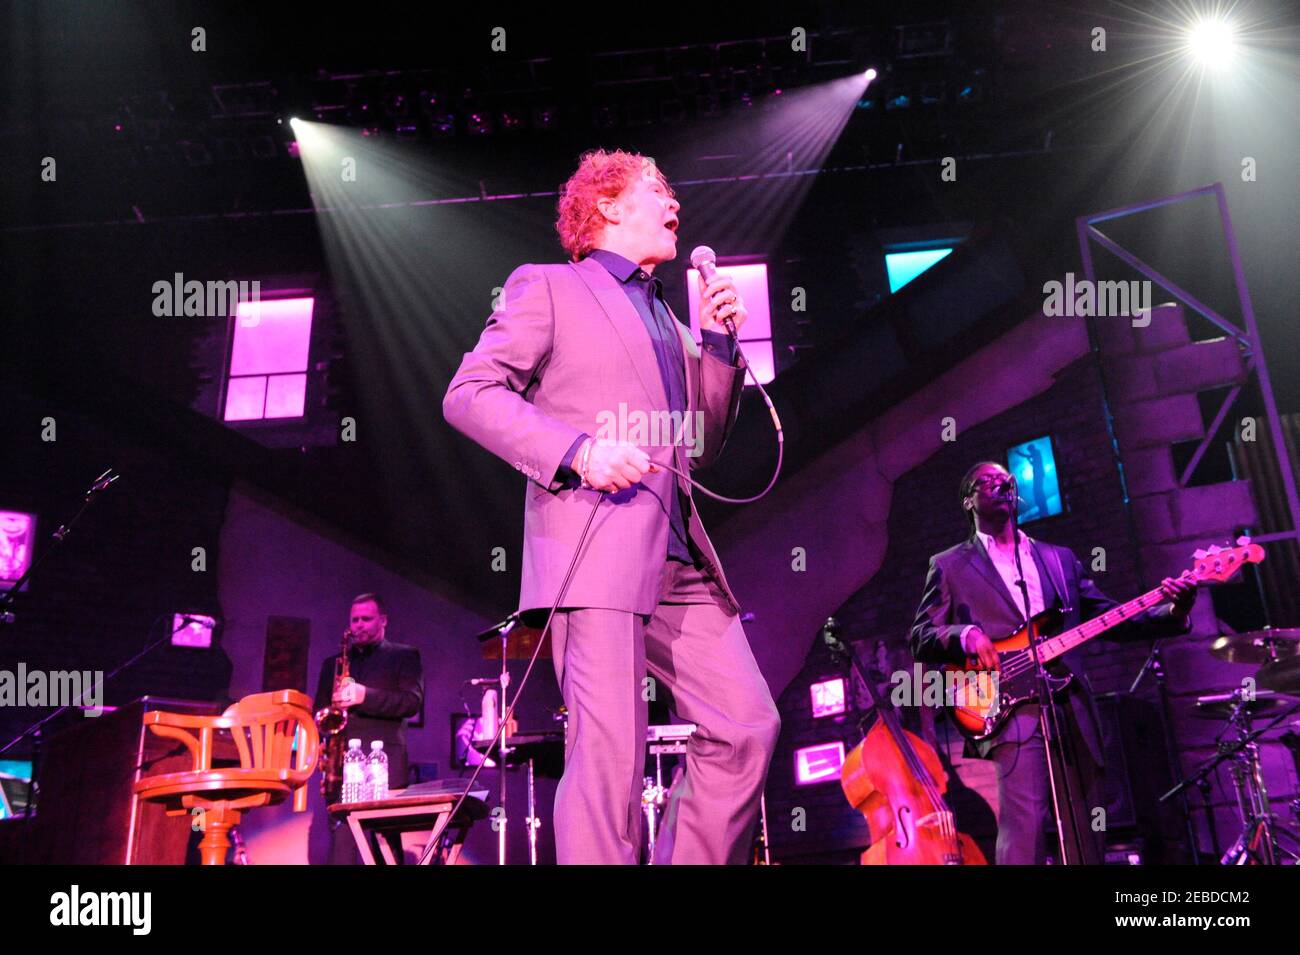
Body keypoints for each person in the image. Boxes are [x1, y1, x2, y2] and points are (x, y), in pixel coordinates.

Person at [443, 148, 780, 864]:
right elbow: (468, 395)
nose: (675, 203)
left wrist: (719, 343)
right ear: (608, 207)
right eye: (659, 189)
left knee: (746, 726)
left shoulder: (670, 318)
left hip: (680, 559)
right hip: (596, 553)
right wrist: (579, 452)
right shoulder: (547, 288)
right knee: (609, 765)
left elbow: (702, 443)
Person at [909, 461, 1196, 864]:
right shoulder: (949, 564)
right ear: (967, 501)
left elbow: (1109, 618)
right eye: (984, 482)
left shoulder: (1057, 558)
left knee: (1085, 830)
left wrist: (1174, 612)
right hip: (1007, 707)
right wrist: (965, 635)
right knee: (1024, 831)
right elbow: (920, 636)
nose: (999, 484)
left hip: (1069, 704)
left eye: (1005, 479)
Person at [314, 592, 424, 864]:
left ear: (383, 621)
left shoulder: (405, 656)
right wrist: (321, 750)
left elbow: (412, 702)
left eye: (366, 618)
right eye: (355, 619)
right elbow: (319, 713)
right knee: (343, 848)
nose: (359, 625)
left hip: (384, 765)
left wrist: (365, 696)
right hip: (341, 765)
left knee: (385, 847)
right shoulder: (333, 663)